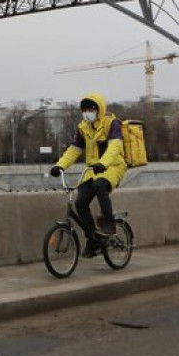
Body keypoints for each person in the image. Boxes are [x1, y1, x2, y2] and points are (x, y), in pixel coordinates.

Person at [48, 92, 126, 256]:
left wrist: (103, 163)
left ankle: (109, 223)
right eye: (84, 109)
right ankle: (93, 239)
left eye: (91, 109)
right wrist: (60, 166)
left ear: (99, 109)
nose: (87, 112)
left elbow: (115, 147)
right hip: (92, 170)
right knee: (80, 202)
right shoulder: (83, 127)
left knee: (100, 185)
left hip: (112, 166)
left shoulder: (111, 123)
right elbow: (74, 150)